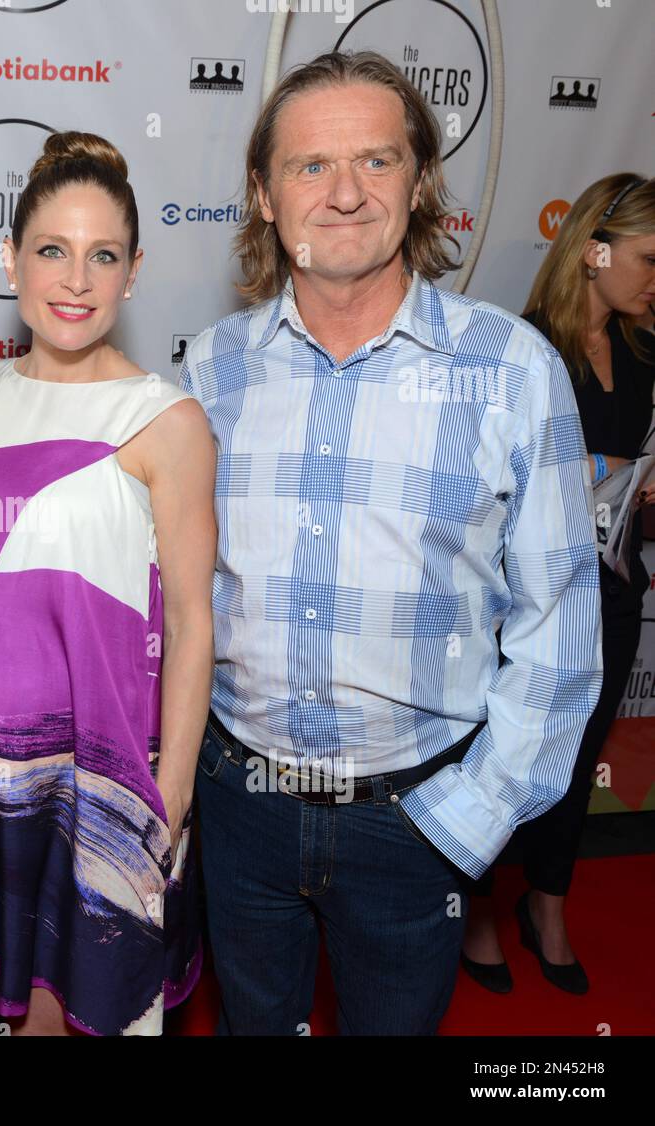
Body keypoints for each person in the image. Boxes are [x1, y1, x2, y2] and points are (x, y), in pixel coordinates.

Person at [179, 50, 603, 1035]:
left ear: (418, 184)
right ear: (262, 192)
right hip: (239, 809)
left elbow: (560, 619)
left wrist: (475, 813)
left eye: (374, 160)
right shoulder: (212, 369)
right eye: (307, 166)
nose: (342, 193)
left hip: (416, 821)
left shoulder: (508, 369)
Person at [0, 131, 217, 1036]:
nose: (76, 280)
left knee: (76, 1010)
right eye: (52, 250)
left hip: (96, 769)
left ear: (132, 271)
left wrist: (178, 779)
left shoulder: (167, 421)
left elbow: (195, 620)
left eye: (103, 256)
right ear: (9, 261)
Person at [461, 173, 655, 995]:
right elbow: (493, 480)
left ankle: (548, 906)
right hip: (530, 601)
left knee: (576, 763)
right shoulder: (525, 349)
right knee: (508, 752)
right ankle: (476, 913)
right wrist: (608, 472)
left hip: (613, 590)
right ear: (593, 250)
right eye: (648, 258)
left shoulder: (646, 350)